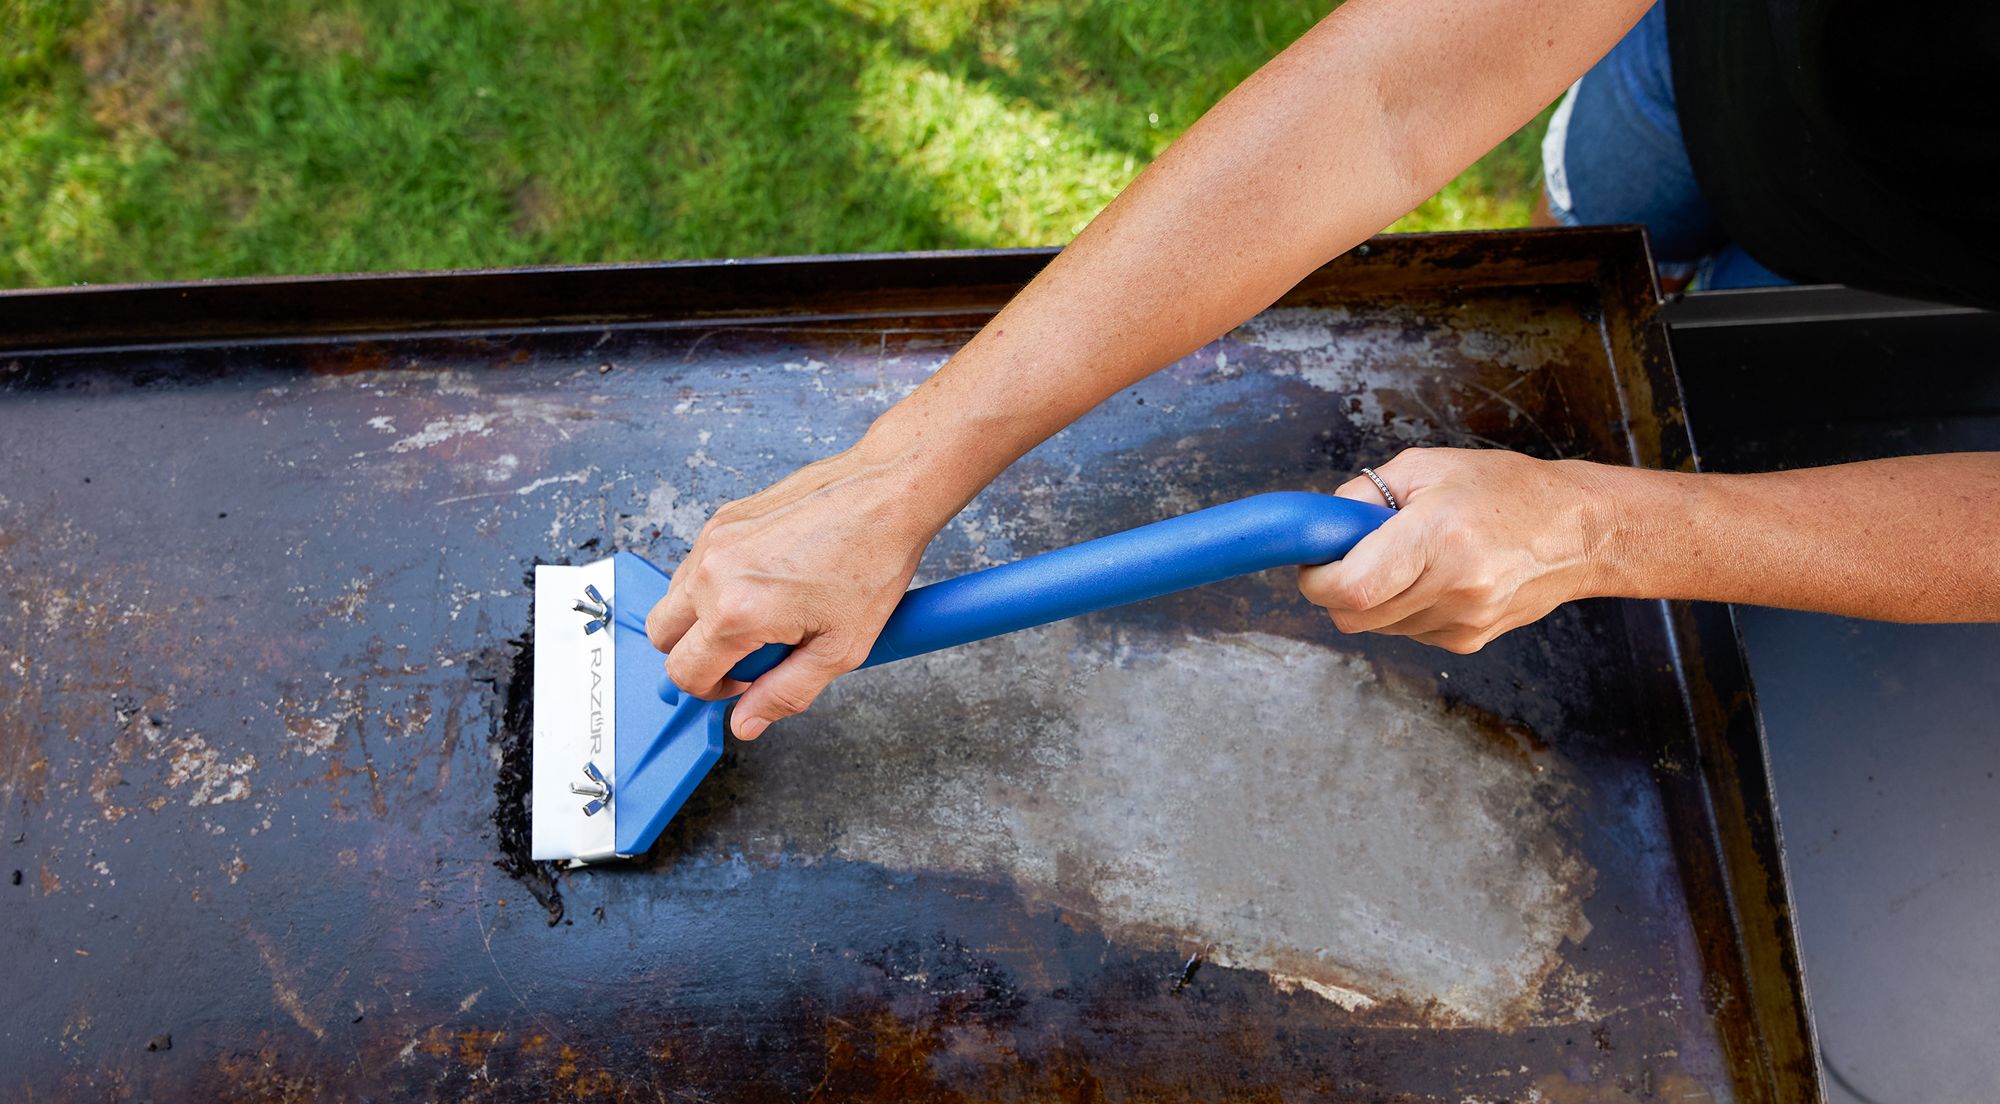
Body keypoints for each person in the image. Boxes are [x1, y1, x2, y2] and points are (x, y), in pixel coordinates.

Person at [646, 0, 2000, 741]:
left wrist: (1600, 524)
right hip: (1723, 50)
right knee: (1595, 238)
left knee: (1738, 375)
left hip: (1930, 243)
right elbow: (1388, 97)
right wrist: (899, 469)